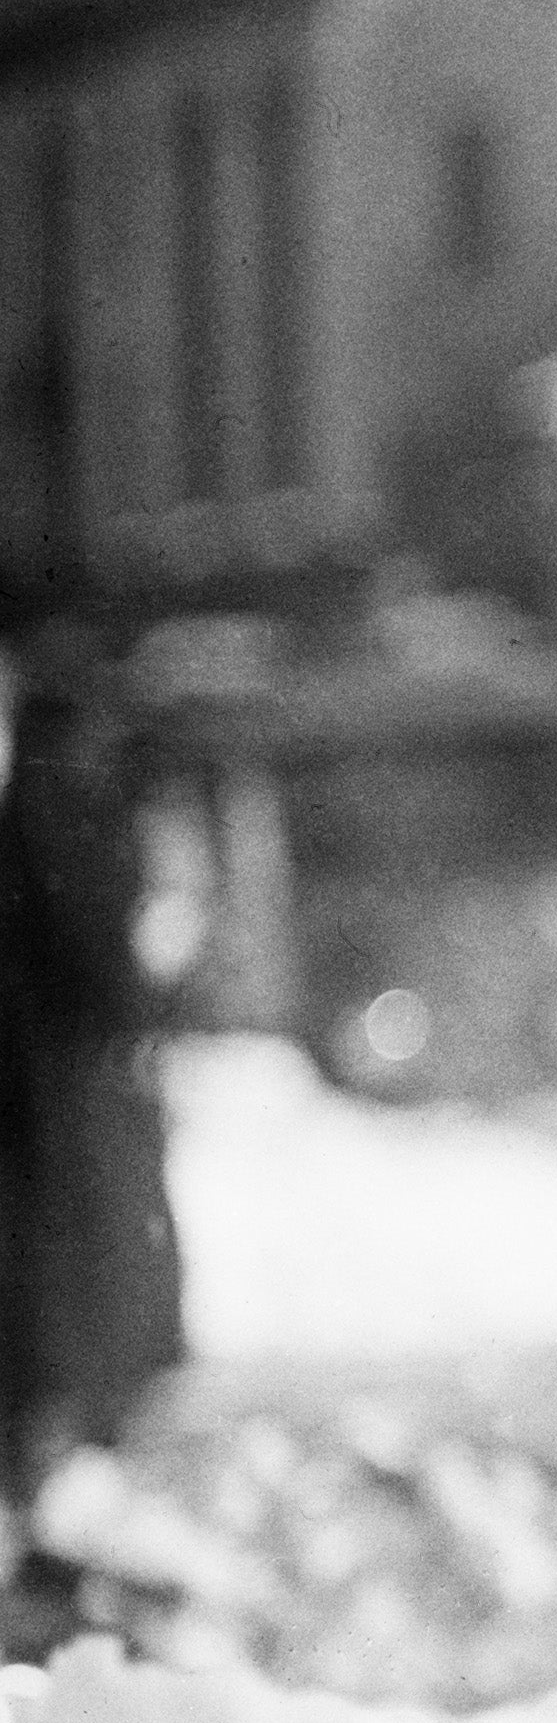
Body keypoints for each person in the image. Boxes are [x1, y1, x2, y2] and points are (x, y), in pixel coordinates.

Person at [1, 630, 188, 1646]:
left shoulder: (48, 798)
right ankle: (52, 1503)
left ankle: (53, 1503)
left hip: (62, 1106)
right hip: (65, 1105)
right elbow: (101, 962)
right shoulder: (64, 801)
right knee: (69, 1302)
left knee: (65, 1302)